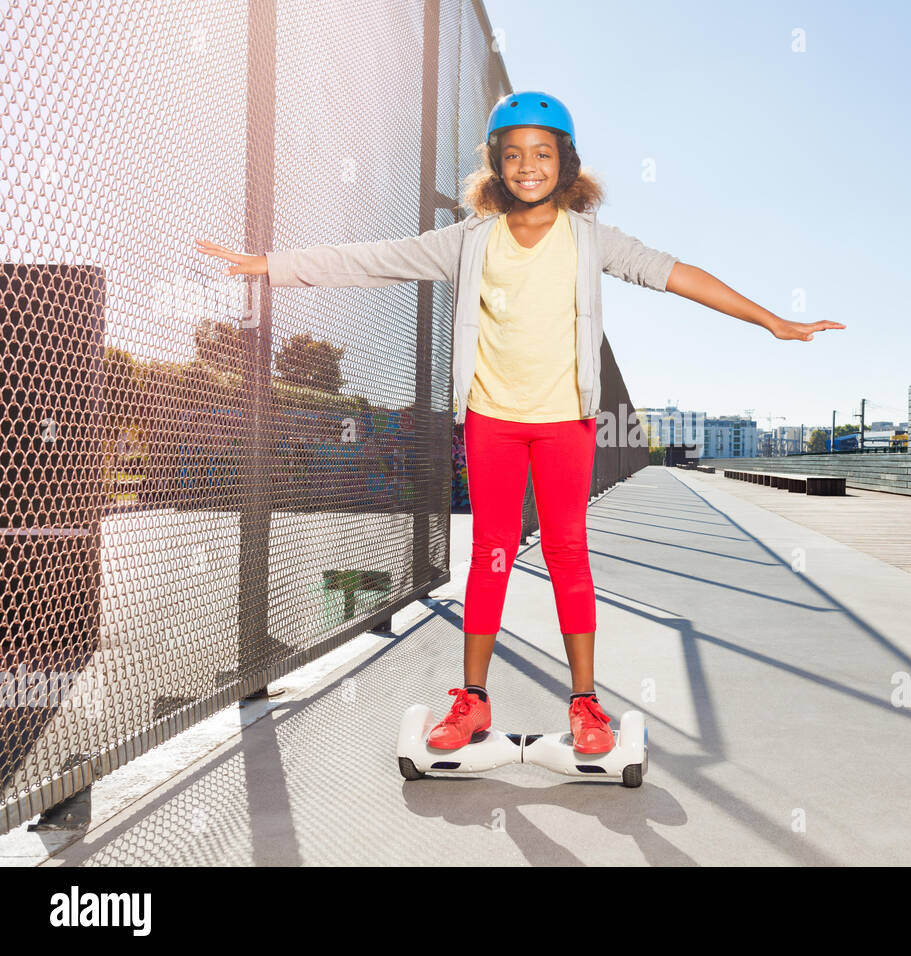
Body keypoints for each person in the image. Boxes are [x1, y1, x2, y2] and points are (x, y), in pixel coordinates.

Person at [196, 90, 844, 756]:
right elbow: (376, 259)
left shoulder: (592, 239)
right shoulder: (469, 240)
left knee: (568, 554)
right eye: (512, 155)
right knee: (492, 555)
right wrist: (274, 266)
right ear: (496, 165)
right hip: (492, 421)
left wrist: (770, 318)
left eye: (541, 153)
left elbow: (674, 274)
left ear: (566, 162)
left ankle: (587, 705)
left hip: (566, 422)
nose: (527, 166)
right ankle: (472, 701)